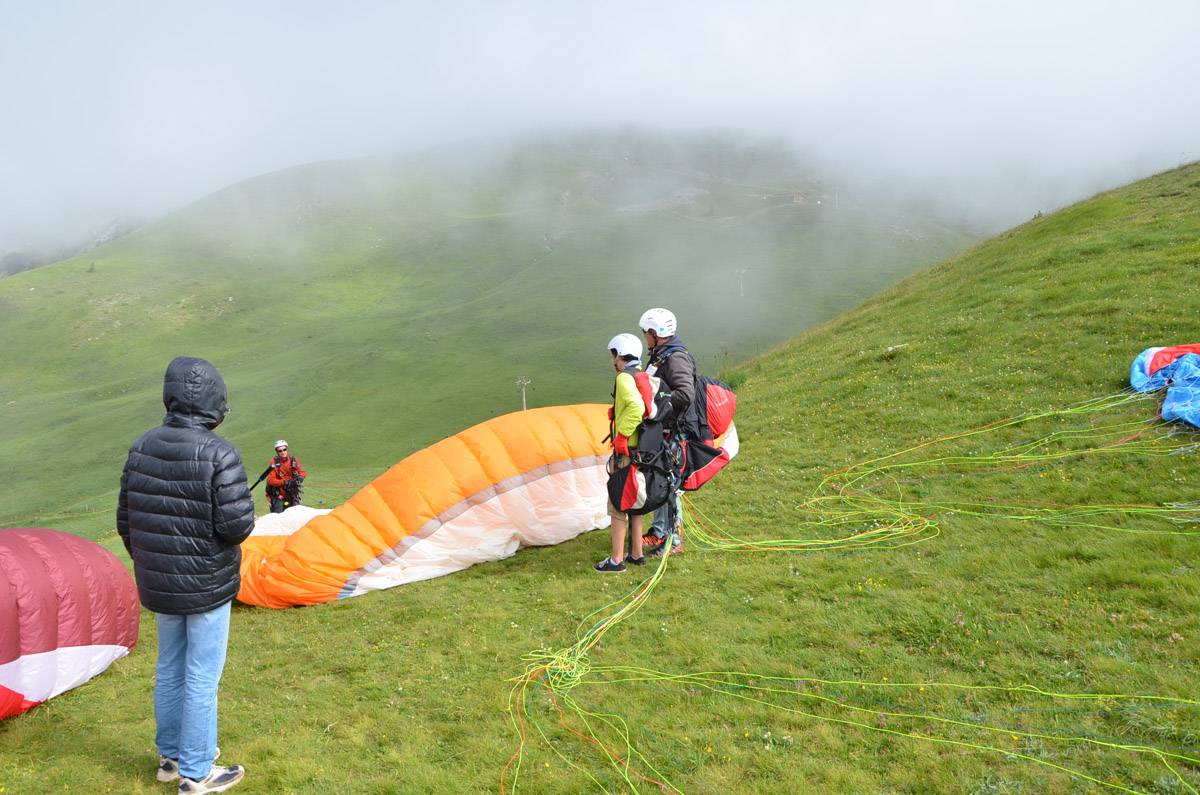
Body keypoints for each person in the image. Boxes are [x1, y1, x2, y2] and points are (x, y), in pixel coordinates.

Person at [117, 356, 254, 794]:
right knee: (200, 675)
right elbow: (236, 528)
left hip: (161, 584)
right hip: (207, 586)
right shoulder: (219, 454)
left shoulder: (141, 447)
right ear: (215, 401)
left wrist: (153, 564)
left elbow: (126, 521)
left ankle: (172, 757)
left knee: (171, 667)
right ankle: (197, 772)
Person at [638, 308, 695, 556]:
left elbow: (685, 393)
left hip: (673, 431)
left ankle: (674, 540)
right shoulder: (661, 356)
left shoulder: (675, 358)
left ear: (655, 333)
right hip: (662, 429)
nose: (644, 337)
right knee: (659, 481)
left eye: (646, 332)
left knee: (669, 485)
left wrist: (658, 403)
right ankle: (660, 531)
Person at [595, 333, 648, 573]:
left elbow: (636, 407)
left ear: (619, 355)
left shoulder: (624, 378)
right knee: (634, 503)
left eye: (613, 356)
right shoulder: (640, 374)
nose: (612, 361)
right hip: (641, 451)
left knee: (617, 505)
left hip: (627, 452)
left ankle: (616, 560)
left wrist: (622, 435)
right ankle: (637, 554)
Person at [265, 439, 306, 513]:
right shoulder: (273, 462)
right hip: (279, 494)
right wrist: (284, 482)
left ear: (287, 449)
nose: (283, 452)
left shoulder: (293, 460)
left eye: (284, 449)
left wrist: (301, 477)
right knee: (278, 514)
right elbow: (270, 480)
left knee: (296, 513)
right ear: (277, 452)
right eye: (280, 451)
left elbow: (302, 472)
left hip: (291, 492)